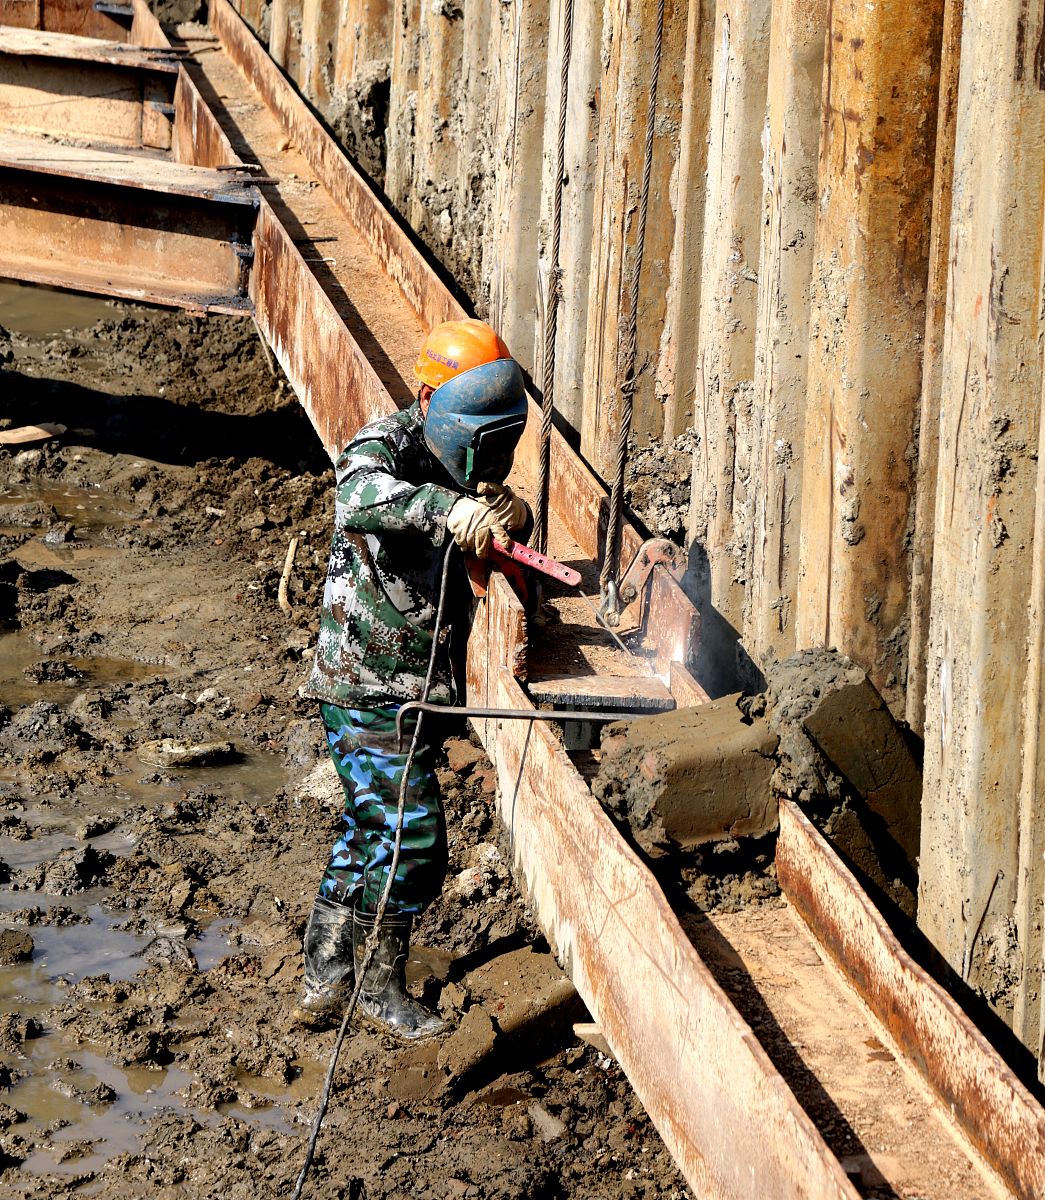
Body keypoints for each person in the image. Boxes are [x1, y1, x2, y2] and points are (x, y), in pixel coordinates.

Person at [294, 318, 531, 1040]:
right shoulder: (383, 445)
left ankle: (326, 972)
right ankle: (378, 984)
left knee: (368, 829)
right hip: (366, 681)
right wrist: (443, 509)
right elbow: (357, 497)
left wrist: (506, 515)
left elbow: (487, 522)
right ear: (429, 398)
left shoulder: (465, 450)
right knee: (413, 841)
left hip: (416, 683)